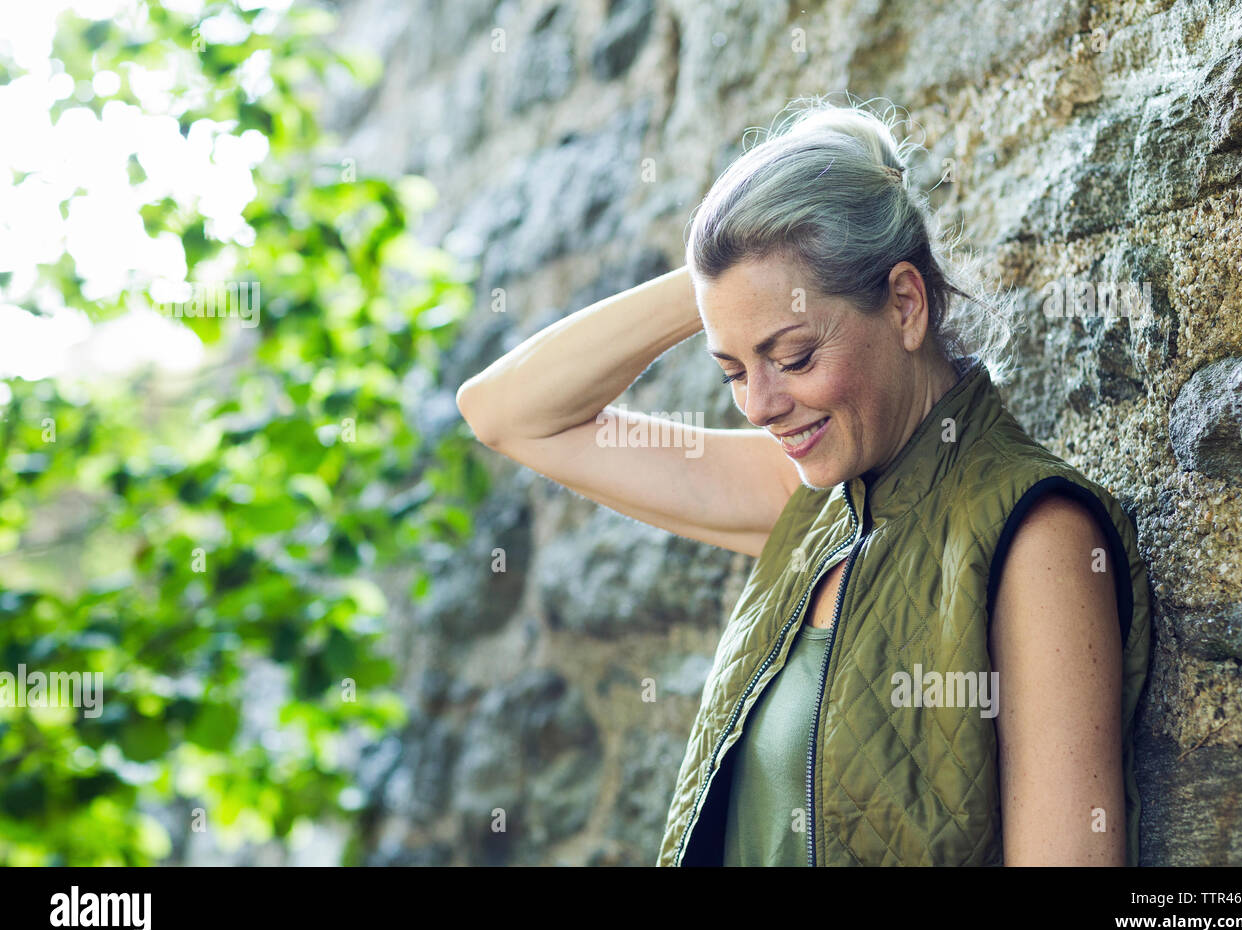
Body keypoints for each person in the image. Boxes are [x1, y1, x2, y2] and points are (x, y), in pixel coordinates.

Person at [456, 93, 1152, 866]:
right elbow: (507, 413)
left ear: (905, 302)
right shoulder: (810, 503)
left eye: (793, 358)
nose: (760, 405)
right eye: (732, 370)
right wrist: (723, 276)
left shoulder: (1036, 538)